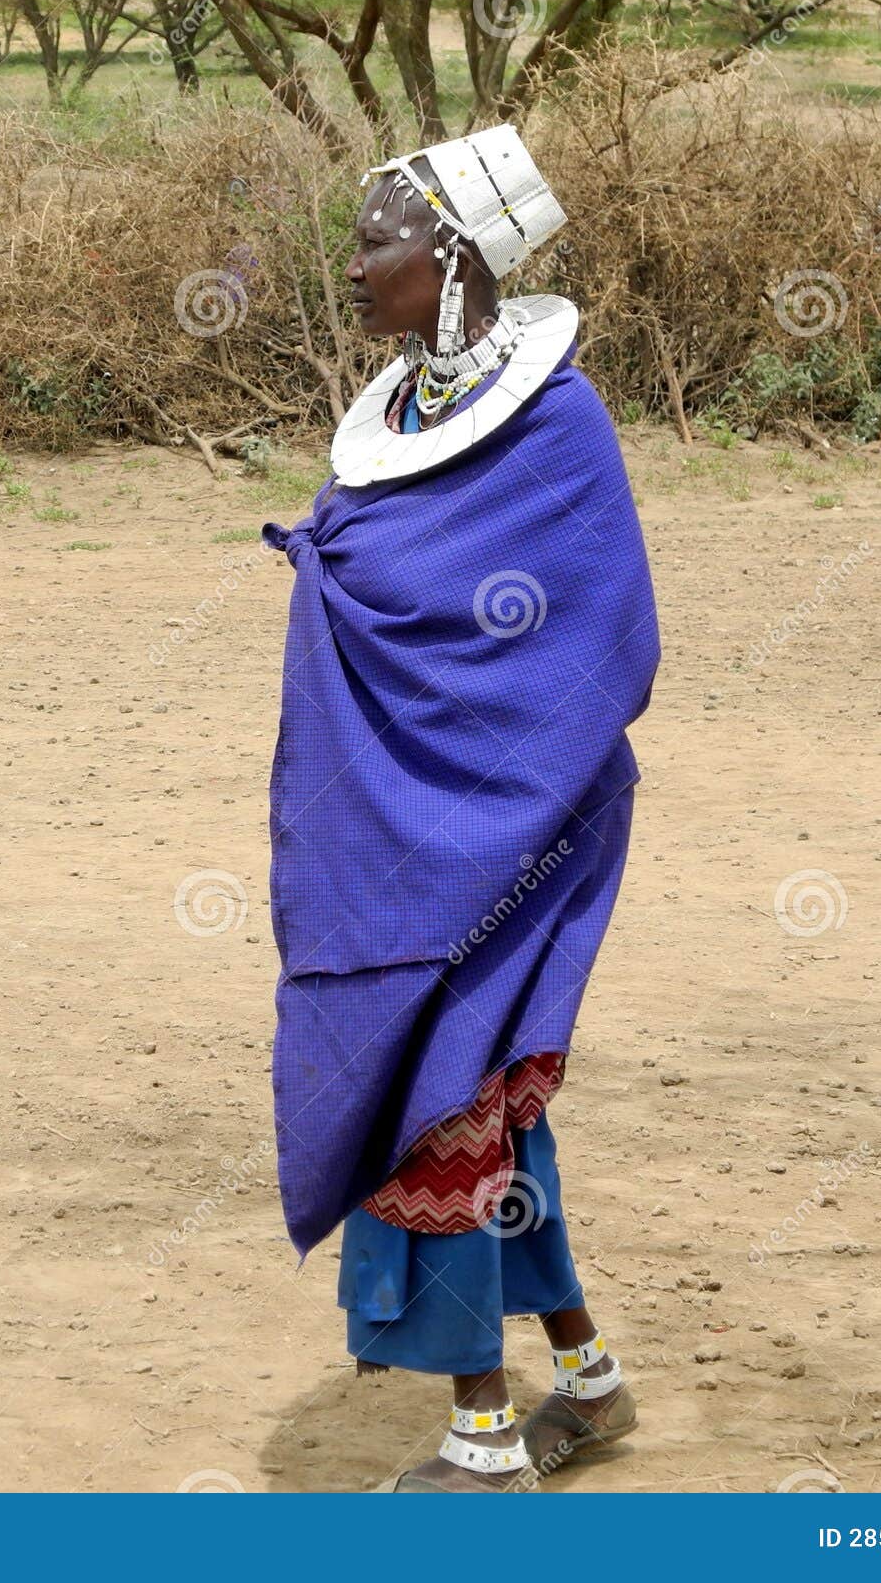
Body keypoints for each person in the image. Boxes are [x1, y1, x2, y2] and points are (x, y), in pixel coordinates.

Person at [261, 125, 661, 1492]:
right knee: (489, 1107)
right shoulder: (395, 422)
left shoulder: (559, 426)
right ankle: (588, 1382)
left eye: (376, 242)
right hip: (402, 815)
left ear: (452, 257)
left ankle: (486, 1432)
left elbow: (606, 640)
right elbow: (391, 590)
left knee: (438, 1092)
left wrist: (494, 789)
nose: (354, 268)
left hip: (525, 815)